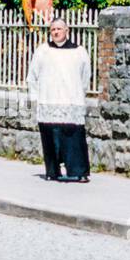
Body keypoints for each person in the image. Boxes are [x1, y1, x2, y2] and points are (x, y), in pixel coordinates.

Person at [25, 17, 91, 182]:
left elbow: (85, 76)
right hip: (49, 101)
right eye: (53, 29)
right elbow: (32, 75)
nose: (55, 32)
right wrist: (36, 97)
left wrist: (79, 93)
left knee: (74, 140)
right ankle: (52, 171)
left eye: (59, 29)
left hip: (71, 102)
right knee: (51, 140)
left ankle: (79, 172)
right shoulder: (43, 51)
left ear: (67, 31)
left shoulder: (79, 52)